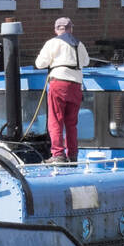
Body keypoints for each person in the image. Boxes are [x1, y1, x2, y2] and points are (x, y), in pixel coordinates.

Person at [34, 18, 90, 164]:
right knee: (71, 123)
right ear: (71, 29)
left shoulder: (52, 43)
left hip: (58, 83)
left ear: (56, 30)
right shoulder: (79, 44)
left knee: (55, 120)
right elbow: (86, 62)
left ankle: (58, 154)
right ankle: (72, 155)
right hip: (76, 86)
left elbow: (40, 64)